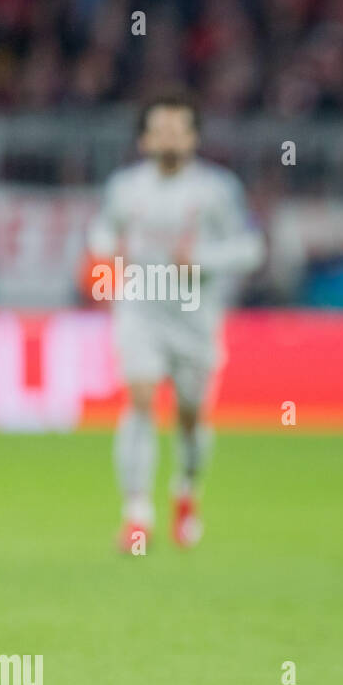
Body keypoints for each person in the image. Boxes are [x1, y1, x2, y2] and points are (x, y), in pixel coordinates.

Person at [87, 90, 264, 551]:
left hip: (195, 317)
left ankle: (186, 490)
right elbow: (102, 232)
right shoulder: (124, 187)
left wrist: (202, 259)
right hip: (140, 308)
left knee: (189, 416)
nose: (168, 136)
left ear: (194, 137)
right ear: (143, 139)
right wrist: (106, 256)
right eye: (159, 128)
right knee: (140, 399)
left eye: (178, 128)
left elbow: (250, 249)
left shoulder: (217, 189)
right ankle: (137, 514)